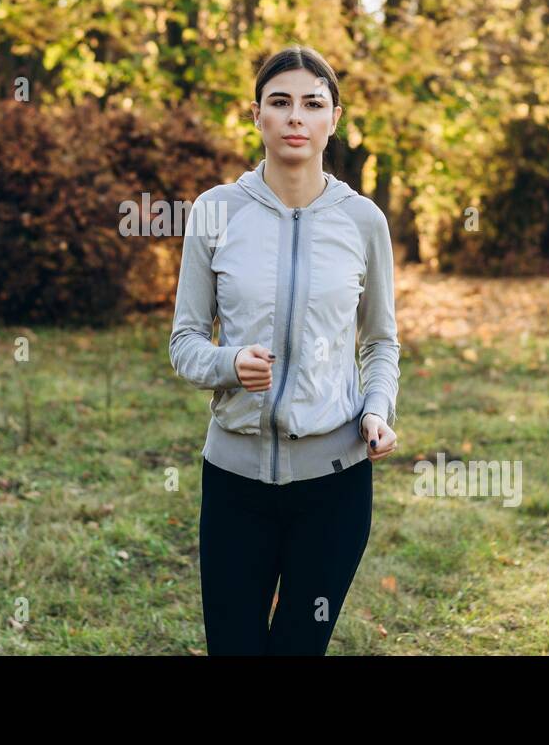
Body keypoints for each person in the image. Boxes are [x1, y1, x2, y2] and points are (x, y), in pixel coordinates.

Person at [169, 45, 402, 655]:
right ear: (257, 116)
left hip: (335, 484)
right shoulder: (216, 211)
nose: (295, 116)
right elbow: (186, 342)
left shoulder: (363, 221)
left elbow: (379, 341)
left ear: (334, 118)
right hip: (234, 481)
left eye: (311, 103)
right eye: (280, 103)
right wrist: (228, 363)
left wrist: (377, 408)